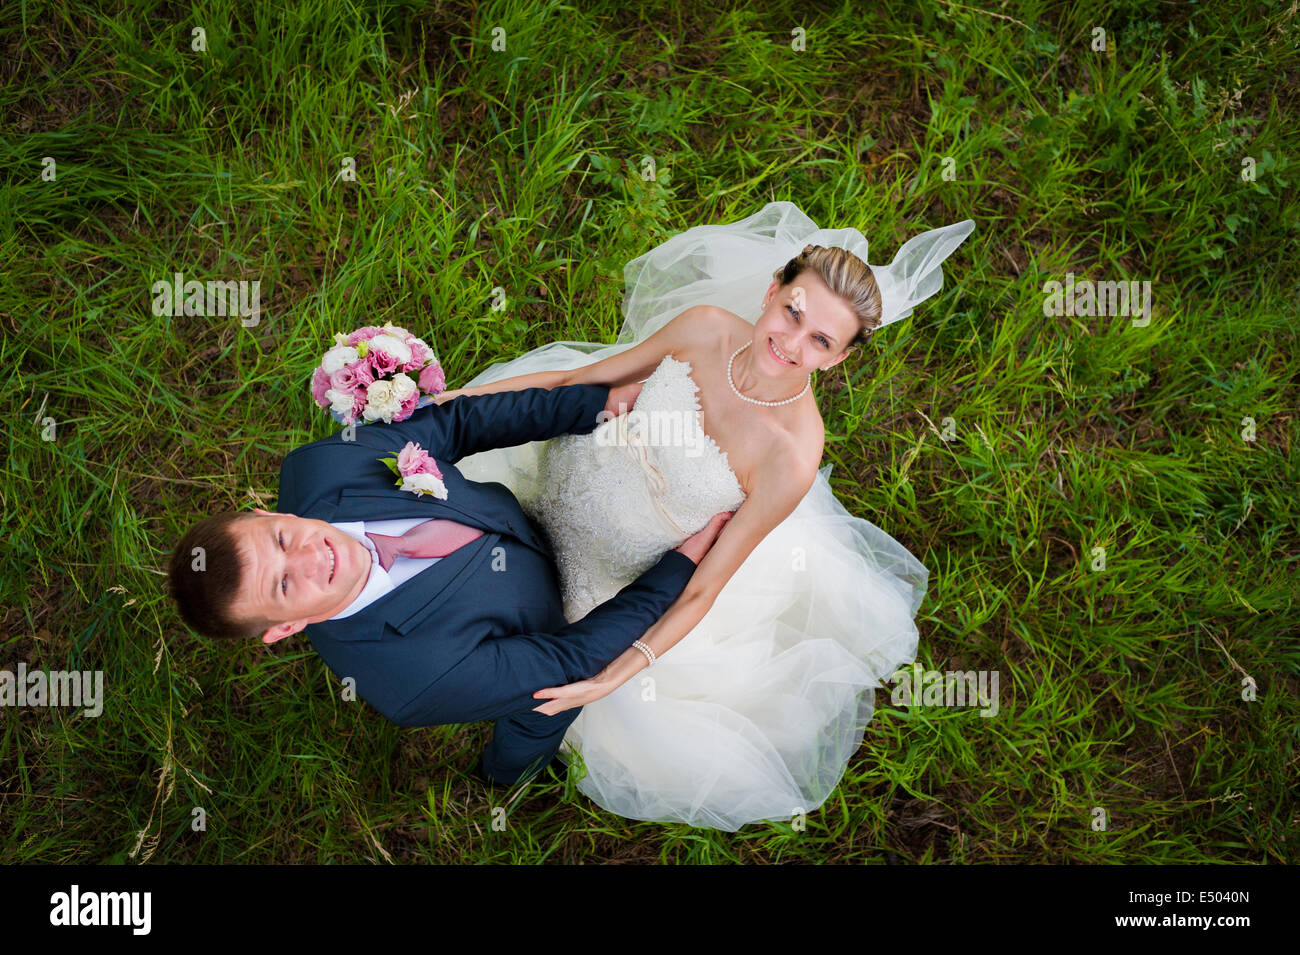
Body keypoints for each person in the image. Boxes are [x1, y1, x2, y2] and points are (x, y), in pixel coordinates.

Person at [435, 201, 975, 830]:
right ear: (773, 290)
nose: (789, 341)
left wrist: (614, 676)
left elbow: (702, 587)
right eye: (791, 312)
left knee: (545, 691)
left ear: (839, 359)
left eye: (820, 340)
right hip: (559, 477)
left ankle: (505, 778)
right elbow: (574, 381)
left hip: (608, 576)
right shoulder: (705, 329)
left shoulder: (790, 455)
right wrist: (453, 403)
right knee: (456, 557)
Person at [167, 381, 733, 785]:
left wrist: (593, 407)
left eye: (284, 541)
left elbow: (460, 423)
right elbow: (572, 657)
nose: (315, 557)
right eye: (286, 587)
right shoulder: (411, 682)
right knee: (543, 711)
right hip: (553, 635)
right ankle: (509, 778)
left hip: (533, 519)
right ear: (286, 627)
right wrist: (680, 566)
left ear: (272, 516)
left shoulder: (320, 468)